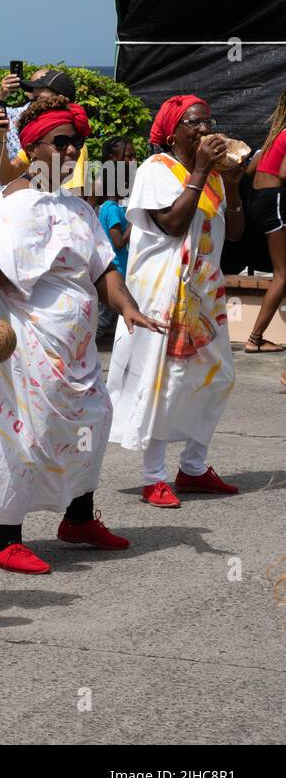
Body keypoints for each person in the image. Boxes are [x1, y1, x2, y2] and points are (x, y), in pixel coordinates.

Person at [0, 98, 161, 573]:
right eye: (61, 142)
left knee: (90, 422)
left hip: (74, 347)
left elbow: (103, 270)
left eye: (77, 142)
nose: (73, 149)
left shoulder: (77, 206)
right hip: (28, 343)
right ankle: (7, 538)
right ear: (33, 146)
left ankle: (77, 519)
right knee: (25, 436)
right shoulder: (14, 204)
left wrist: (129, 307)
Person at [107, 95, 244, 507]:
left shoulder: (215, 175)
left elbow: (235, 232)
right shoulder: (156, 170)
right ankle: (154, 475)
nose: (205, 130)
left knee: (217, 376)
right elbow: (171, 224)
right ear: (172, 132)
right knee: (160, 380)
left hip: (203, 291)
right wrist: (200, 170)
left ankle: (194, 467)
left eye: (208, 121)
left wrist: (233, 185)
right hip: (161, 292)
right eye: (194, 124)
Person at [243, 89, 286, 353]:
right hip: (274, 202)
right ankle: (255, 339)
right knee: (283, 275)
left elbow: (249, 169)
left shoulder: (275, 133)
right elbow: (283, 172)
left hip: (258, 200)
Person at [94, 137, 137, 346]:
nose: (133, 161)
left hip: (121, 264)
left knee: (113, 313)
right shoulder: (108, 204)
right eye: (129, 156)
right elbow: (117, 240)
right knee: (106, 315)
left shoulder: (133, 182)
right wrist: (136, 220)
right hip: (113, 266)